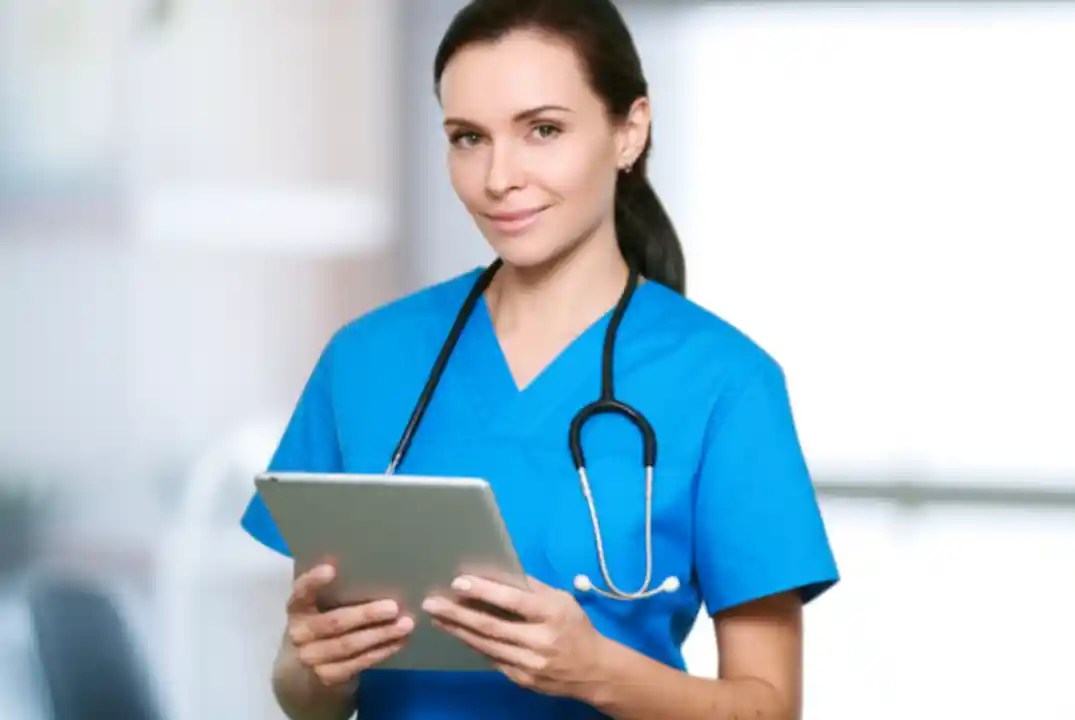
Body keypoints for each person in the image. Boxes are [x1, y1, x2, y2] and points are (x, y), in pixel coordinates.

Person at [239, 0, 839, 717]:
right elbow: (311, 698)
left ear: (630, 131)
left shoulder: (726, 382)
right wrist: (312, 669)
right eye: (468, 138)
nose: (498, 177)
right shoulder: (364, 361)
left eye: (543, 130)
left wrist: (595, 671)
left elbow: (770, 707)